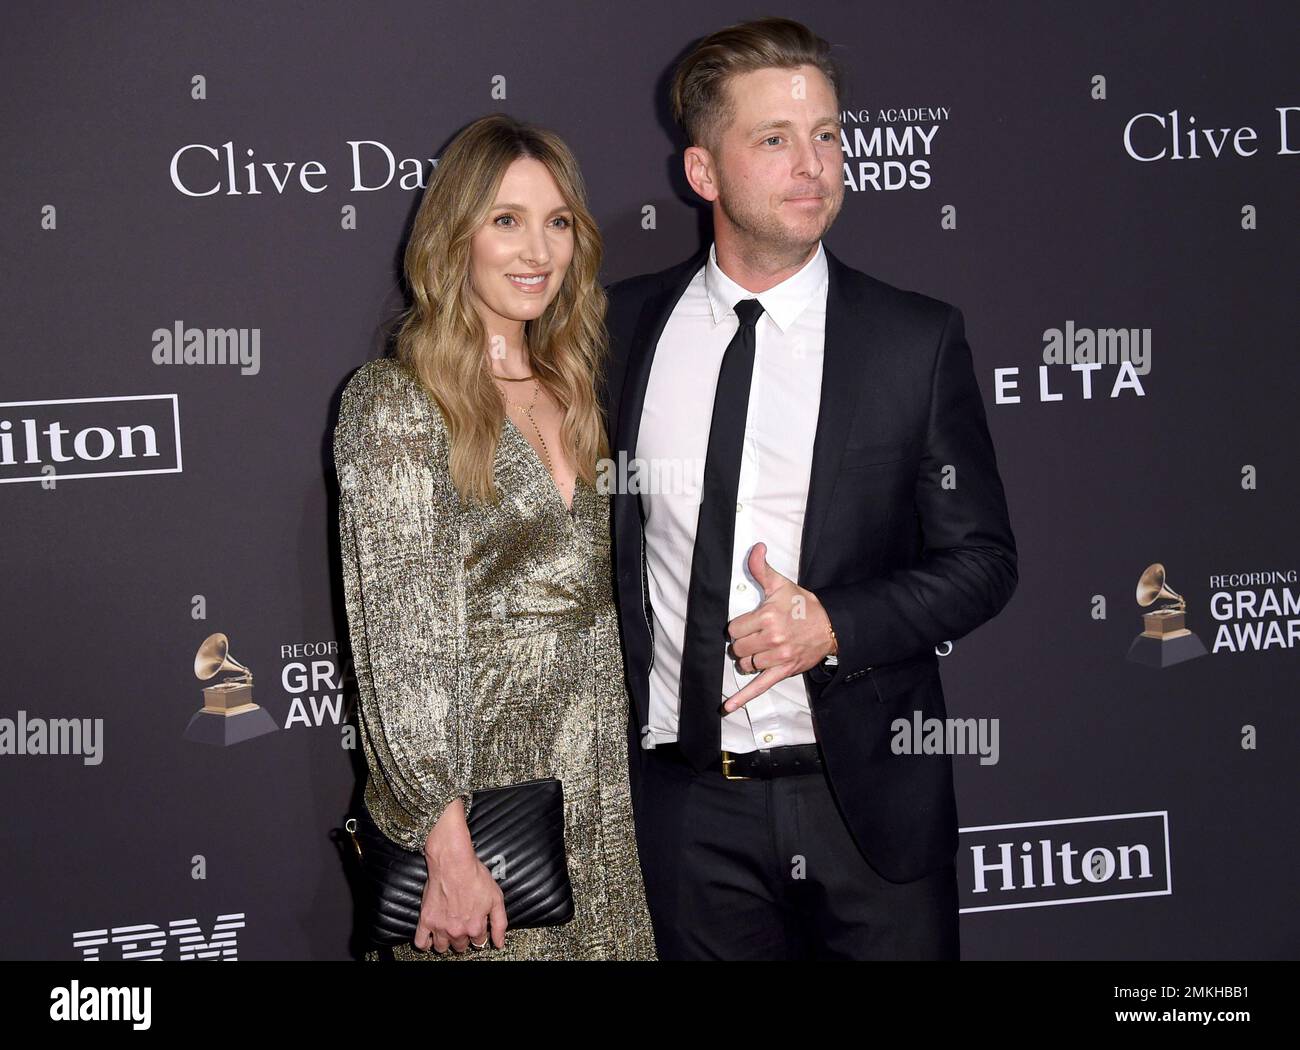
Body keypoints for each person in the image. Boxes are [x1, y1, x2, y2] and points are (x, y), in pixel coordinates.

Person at [602, 18, 1018, 959]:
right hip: (682, 811)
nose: (814, 164)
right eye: (776, 139)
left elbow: (985, 562)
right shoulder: (621, 329)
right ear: (703, 173)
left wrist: (837, 623)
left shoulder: (914, 340)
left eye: (828, 135)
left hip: (865, 806)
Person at [334, 113, 656, 960]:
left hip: (610, 795)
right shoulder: (397, 401)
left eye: (557, 222)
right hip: (485, 809)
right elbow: (400, 646)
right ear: (455, 237)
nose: (537, 251)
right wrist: (447, 845)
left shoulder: (582, 388)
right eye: (506, 220)